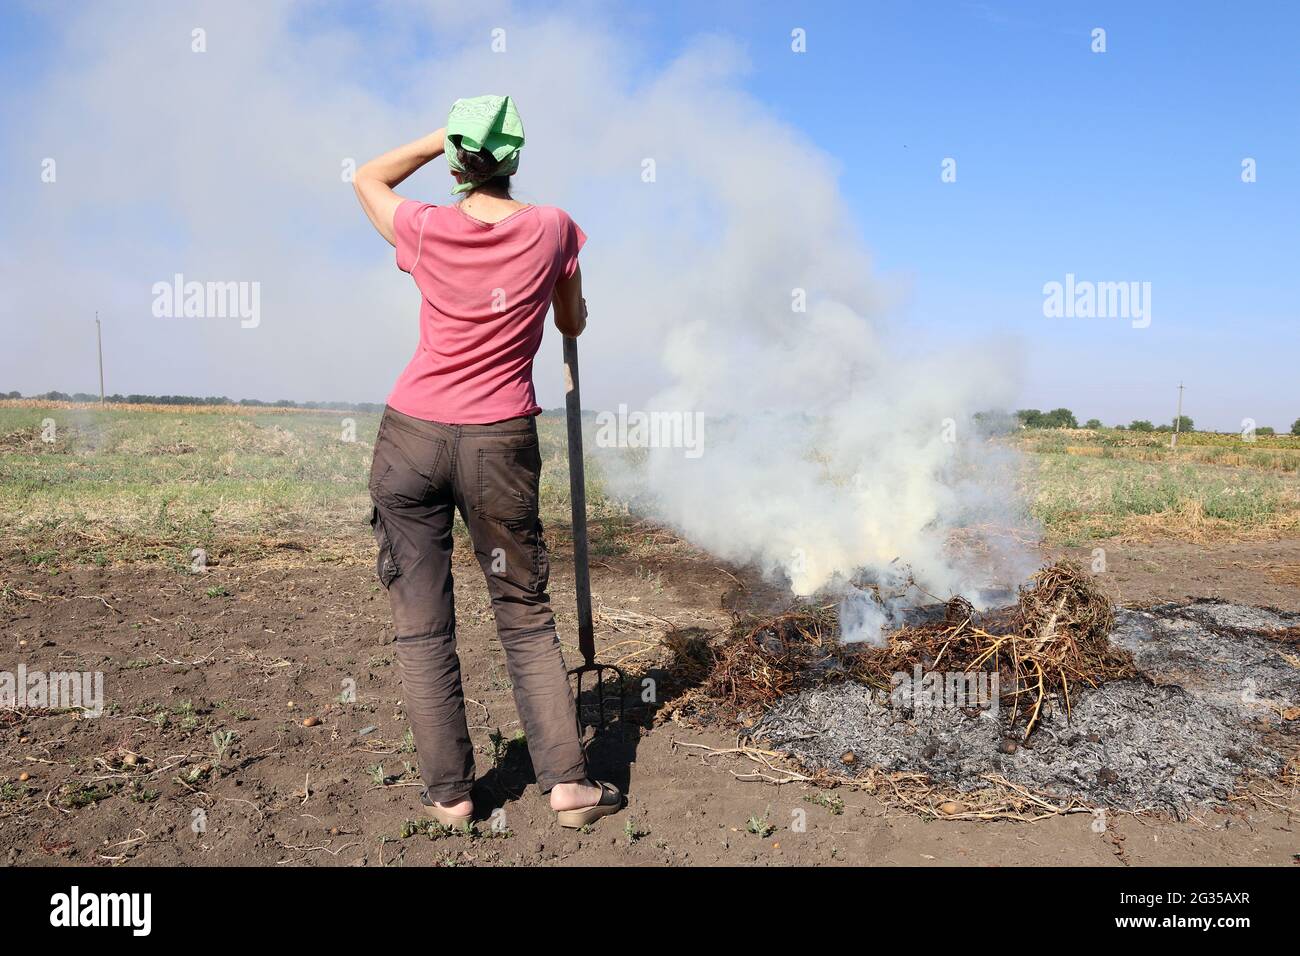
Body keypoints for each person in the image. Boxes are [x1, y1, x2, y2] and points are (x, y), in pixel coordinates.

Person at [352, 95, 621, 828]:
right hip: (499, 441)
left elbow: (367, 177)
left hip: (411, 437)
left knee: (421, 622)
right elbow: (569, 320)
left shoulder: (426, 226)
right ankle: (567, 786)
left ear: (459, 159)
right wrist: (572, 310)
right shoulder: (553, 228)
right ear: (514, 159)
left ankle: (450, 796)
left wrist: (440, 139)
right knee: (523, 613)